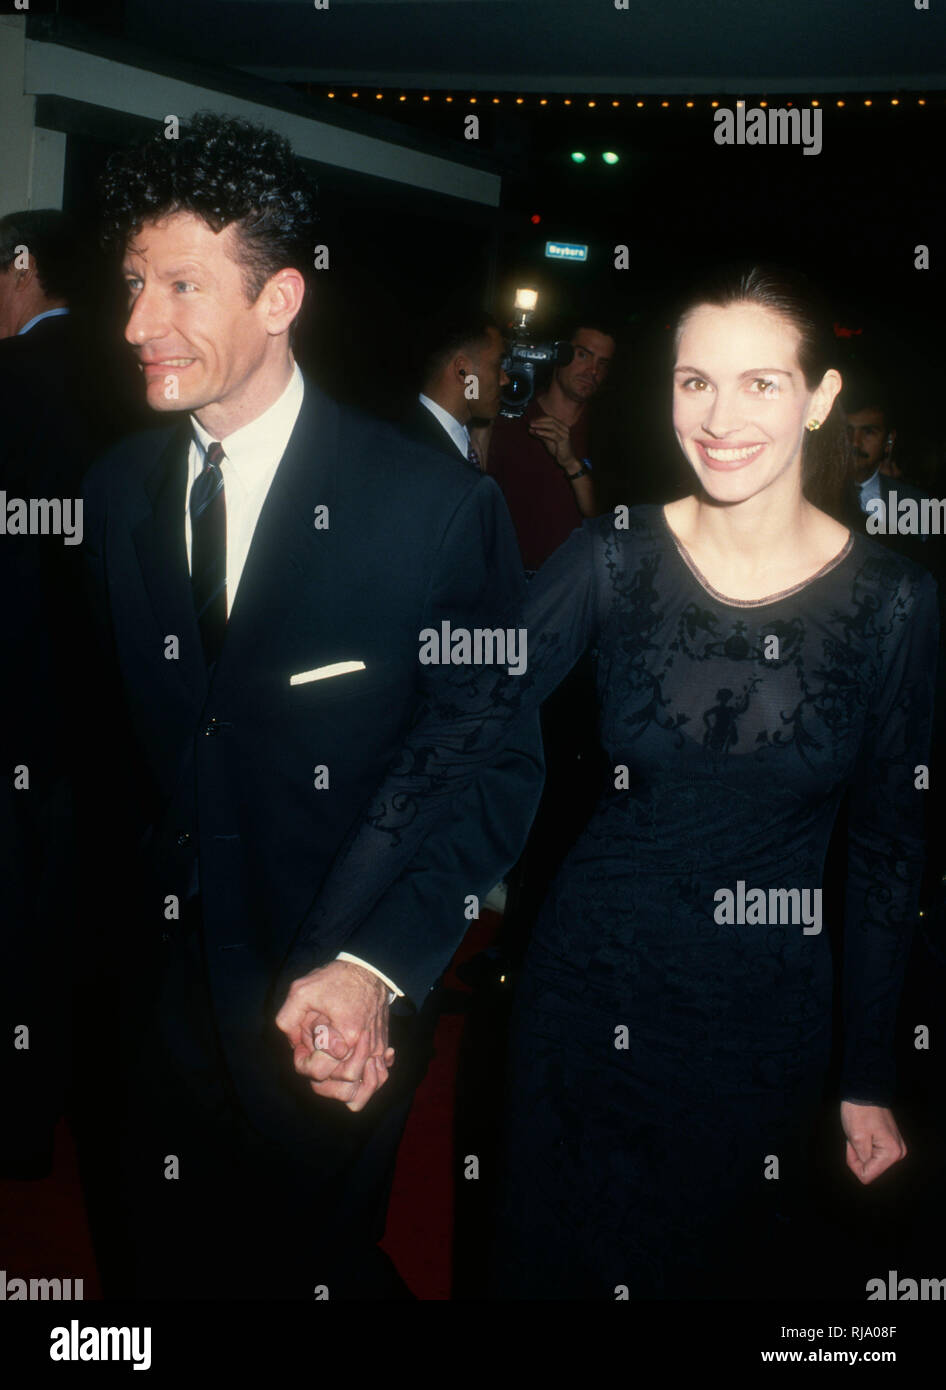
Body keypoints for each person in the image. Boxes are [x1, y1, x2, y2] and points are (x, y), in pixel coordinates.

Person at [299, 265, 939, 1299]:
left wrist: (866, 1074)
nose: (720, 417)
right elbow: (451, 738)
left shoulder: (897, 604)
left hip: (765, 1022)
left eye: (760, 384)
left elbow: (884, 850)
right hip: (583, 995)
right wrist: (336, 945)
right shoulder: (614, 555)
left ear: (819, 397)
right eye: (695, 382)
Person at [77, 110, 544, 1300]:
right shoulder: (116, 486)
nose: (138, 323)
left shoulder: (428, 510)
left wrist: (376, 967)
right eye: (134, 282)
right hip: (148, 999)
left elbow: (489, 758)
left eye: (181, 285)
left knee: (302, 1276)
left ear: (280, 298)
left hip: (329, 1000)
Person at [486, 320, 616, 573]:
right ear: (558, 353)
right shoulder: (511, 413)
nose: (592, 371)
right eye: (583, 355)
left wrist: (572, 464)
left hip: (568, 586)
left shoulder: (607, 432)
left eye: (602, 364)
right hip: (500, 578)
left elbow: (612, 519)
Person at [401, 310, 509, 468]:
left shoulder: (415, 435)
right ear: (463, 371)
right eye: (497, 365)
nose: (505, 379)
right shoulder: (421, 457)